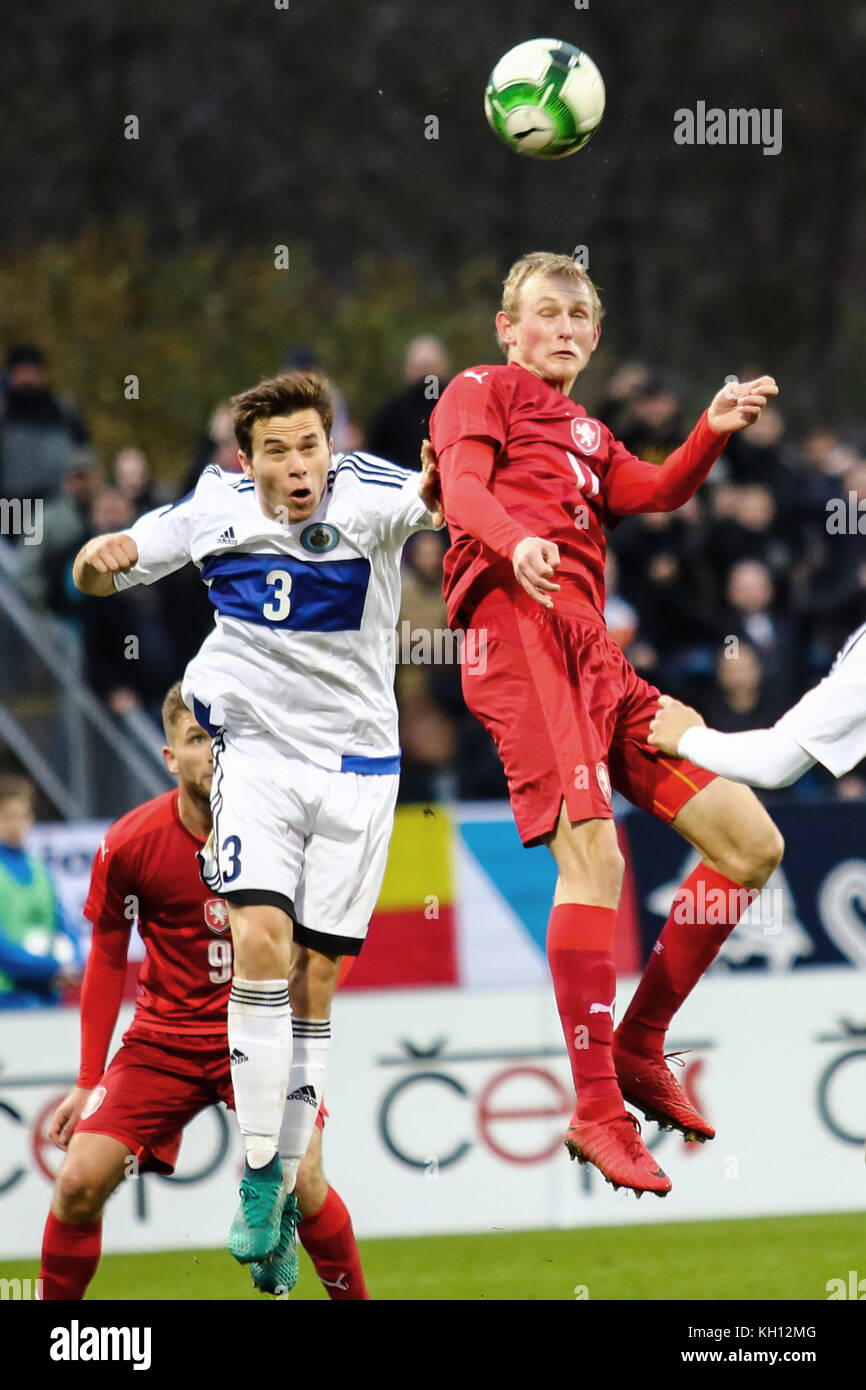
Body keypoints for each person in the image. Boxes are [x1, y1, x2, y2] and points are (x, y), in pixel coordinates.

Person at [72, 370, 442, 1282]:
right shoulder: (213, 510)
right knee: (263, 938)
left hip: (359, 769)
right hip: (260, 760)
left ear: (333, 445)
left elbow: (439, 502)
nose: (296, 464)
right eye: (275, 450)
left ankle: (280, 1181)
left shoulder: (376, 495)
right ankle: (262, 1170)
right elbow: (99, 565)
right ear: (248, 461)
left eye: (309, 445)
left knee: (315, 981)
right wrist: (94, 560)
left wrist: (453, 482)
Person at [428, 250, 784, 1198]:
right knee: (598, 861)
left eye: (581, 314)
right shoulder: (479, 388)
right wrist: (518, 543)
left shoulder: (588, 429)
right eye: (546, 311)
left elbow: (658, 492)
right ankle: (595, 1109)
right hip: (518, 631)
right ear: (509, 328)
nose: (567, 327)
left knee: (750, 844)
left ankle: (640, 1043)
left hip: (596, 658)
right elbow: (461, 495)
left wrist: (709, 428)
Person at [40, 686, 369, 1301]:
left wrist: (297, 1029)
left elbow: (335, 945)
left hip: (263, 1034)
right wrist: (88, 1078)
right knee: (78, 1182)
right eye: (197, 740)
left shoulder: (293, 835)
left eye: (224, 739)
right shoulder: (131, 844)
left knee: (307, 1180)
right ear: (170, 757)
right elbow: (108, 957)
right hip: (162, 1042)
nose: (213, 753)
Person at [648, 621, 866, 792]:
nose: (739, 676)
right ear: (721, 674)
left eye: (744, 669)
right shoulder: (710, 703)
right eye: (732, 670)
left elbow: (774, 763)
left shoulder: (777, 704)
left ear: (758, 671)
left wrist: (686, 737)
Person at [0, 776, 80, 1009]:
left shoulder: (40, 869)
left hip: (47, 998)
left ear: (30, 819)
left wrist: (72, 963)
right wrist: (52, 967)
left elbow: (64, 925)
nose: (14, 824)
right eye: (6, 816)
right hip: (7, 1000)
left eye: (20, 816)